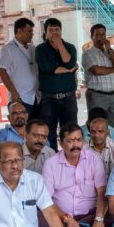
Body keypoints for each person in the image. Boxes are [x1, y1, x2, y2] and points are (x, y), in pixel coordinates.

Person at [42, 123, 110, 227]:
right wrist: (67, 219)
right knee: (40, 217)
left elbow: (102, 192)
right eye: (70, 141)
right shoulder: (50, 164)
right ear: (61, 143)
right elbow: (47, 201)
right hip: (60, 216)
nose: (76, 145)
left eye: (79, 140)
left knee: (113, 214)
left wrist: (99, 219)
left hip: (90, 216)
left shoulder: (94, 159)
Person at [33, 17, 78, 147]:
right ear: (45, 32)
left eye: (57, 29)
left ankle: (69, 160)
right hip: (49, 99)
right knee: (48, 133)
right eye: (50, 30)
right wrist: (69, 71)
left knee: (70, 132)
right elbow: (48, 69)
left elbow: (69, 61)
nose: (54, 32)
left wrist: (60, 45)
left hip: (69, 98)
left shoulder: (70, 47)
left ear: (61, 31)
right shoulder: (40, 49)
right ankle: (52, 161)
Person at [82, 23, 114, 128]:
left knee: (113, 127)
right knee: (97, 127)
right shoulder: (88, 53)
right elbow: (96, 70)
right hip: (97, 96)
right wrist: (113, 71)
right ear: (92, 37)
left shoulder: (111, 52)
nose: (101, 37)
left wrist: (109, 49)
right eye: (98, 35)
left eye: (103, 34)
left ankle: (112, 145)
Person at [0, 17, 38, 118]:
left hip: (36, 97)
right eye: (29, 31)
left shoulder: (32, 48)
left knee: (34, 129)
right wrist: (14, 92)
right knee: (21, 129)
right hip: (20, 98)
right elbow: (2, 71)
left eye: (32, 31)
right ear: (19, 31)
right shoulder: (8, 48)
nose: (32, 34)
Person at [86, 112, 114, 177]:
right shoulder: (84, 148)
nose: (96, 135)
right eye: (93, 132)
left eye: (100, 131)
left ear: (107, 133)